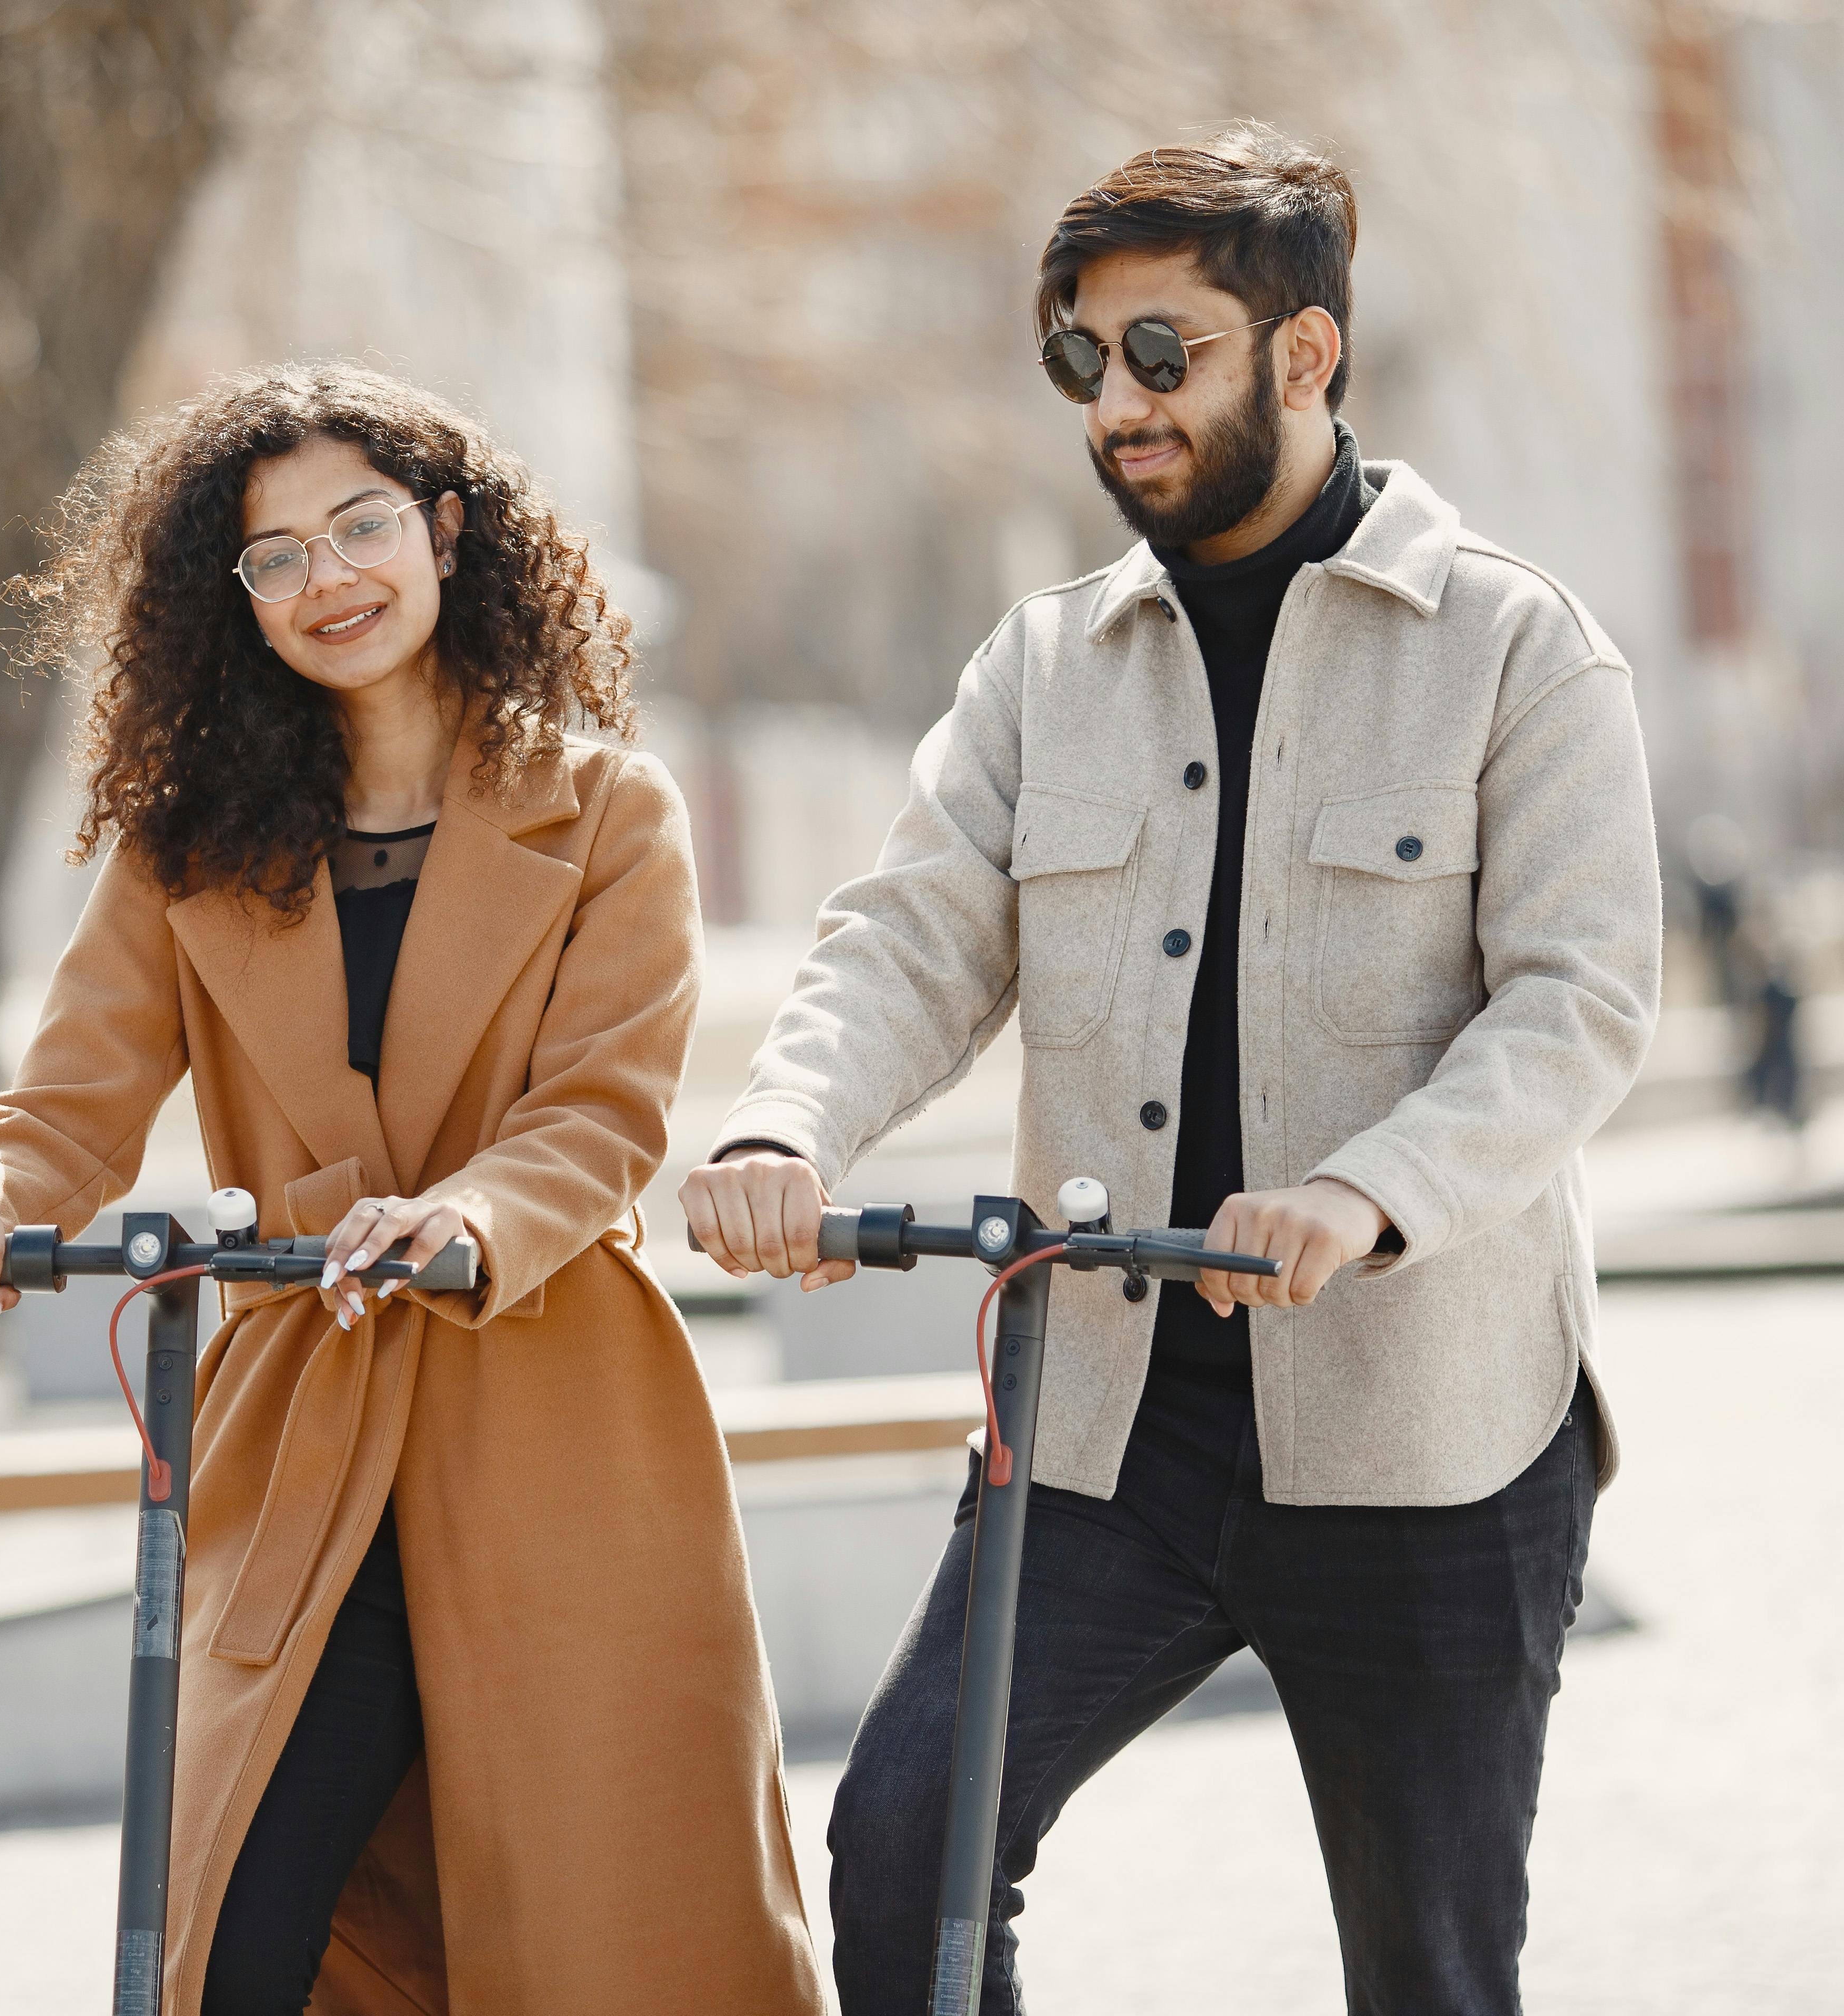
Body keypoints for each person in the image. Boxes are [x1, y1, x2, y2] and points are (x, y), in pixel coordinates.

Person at [682, 127, 1661, 2015]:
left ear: (1307, 356)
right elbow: (907, 937)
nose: (1114, 405)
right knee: (907, 1861)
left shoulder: (1519, 648)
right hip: (1108, 1421)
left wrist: (1369, 1192)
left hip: (1430, 1433)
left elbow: (1580, 1003)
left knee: (1430, 1975)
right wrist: (779, 1120)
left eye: (1163, 353)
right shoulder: (1044, 668)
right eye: (1081, 359)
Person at [0, 364, 821, 2016]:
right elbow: (66, 1104)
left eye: (363, 527)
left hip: (553, 1421)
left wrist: (466, 1219)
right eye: (276, 557)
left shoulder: (611, 812)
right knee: (237, 1936)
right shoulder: (183, 846)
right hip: (303, 1425)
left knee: (603, 1934)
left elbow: (603, 1114)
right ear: (230, 601)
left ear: (449, 534)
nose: (330, 581)